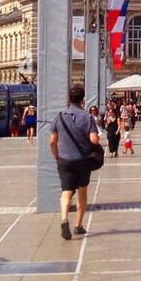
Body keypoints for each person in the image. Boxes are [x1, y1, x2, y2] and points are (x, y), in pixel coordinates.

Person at [49, 84, 100, 241]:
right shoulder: (87, 117)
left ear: (68, 99)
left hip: (64, 159)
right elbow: (94, 139)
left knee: (66, 191)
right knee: (82, 192)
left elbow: (52, 141)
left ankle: (64, 217)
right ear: (82, 100)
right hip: (82, 160)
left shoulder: (59, 116)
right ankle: (78, 225)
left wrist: (57, 155)